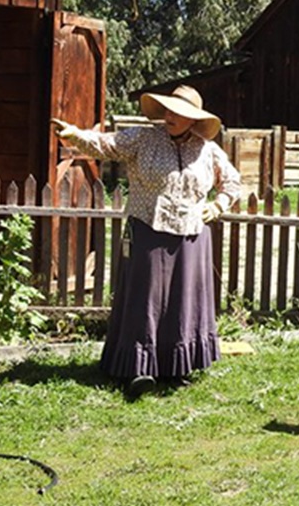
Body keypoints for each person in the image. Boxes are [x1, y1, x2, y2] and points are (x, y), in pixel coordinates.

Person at [51, 85, 241, 398]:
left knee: (184, 302)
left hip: (192, 236)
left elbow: (232, 181)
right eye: (168, 110)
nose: (170, 117)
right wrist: (74, 134)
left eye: (179, 113)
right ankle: (138, 369)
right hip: (147, 230)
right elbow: (105, 144)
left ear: (193, 120)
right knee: (144, 300)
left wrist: (218, 205)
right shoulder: (143, 138)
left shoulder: (207, 149)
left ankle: (179, 367)